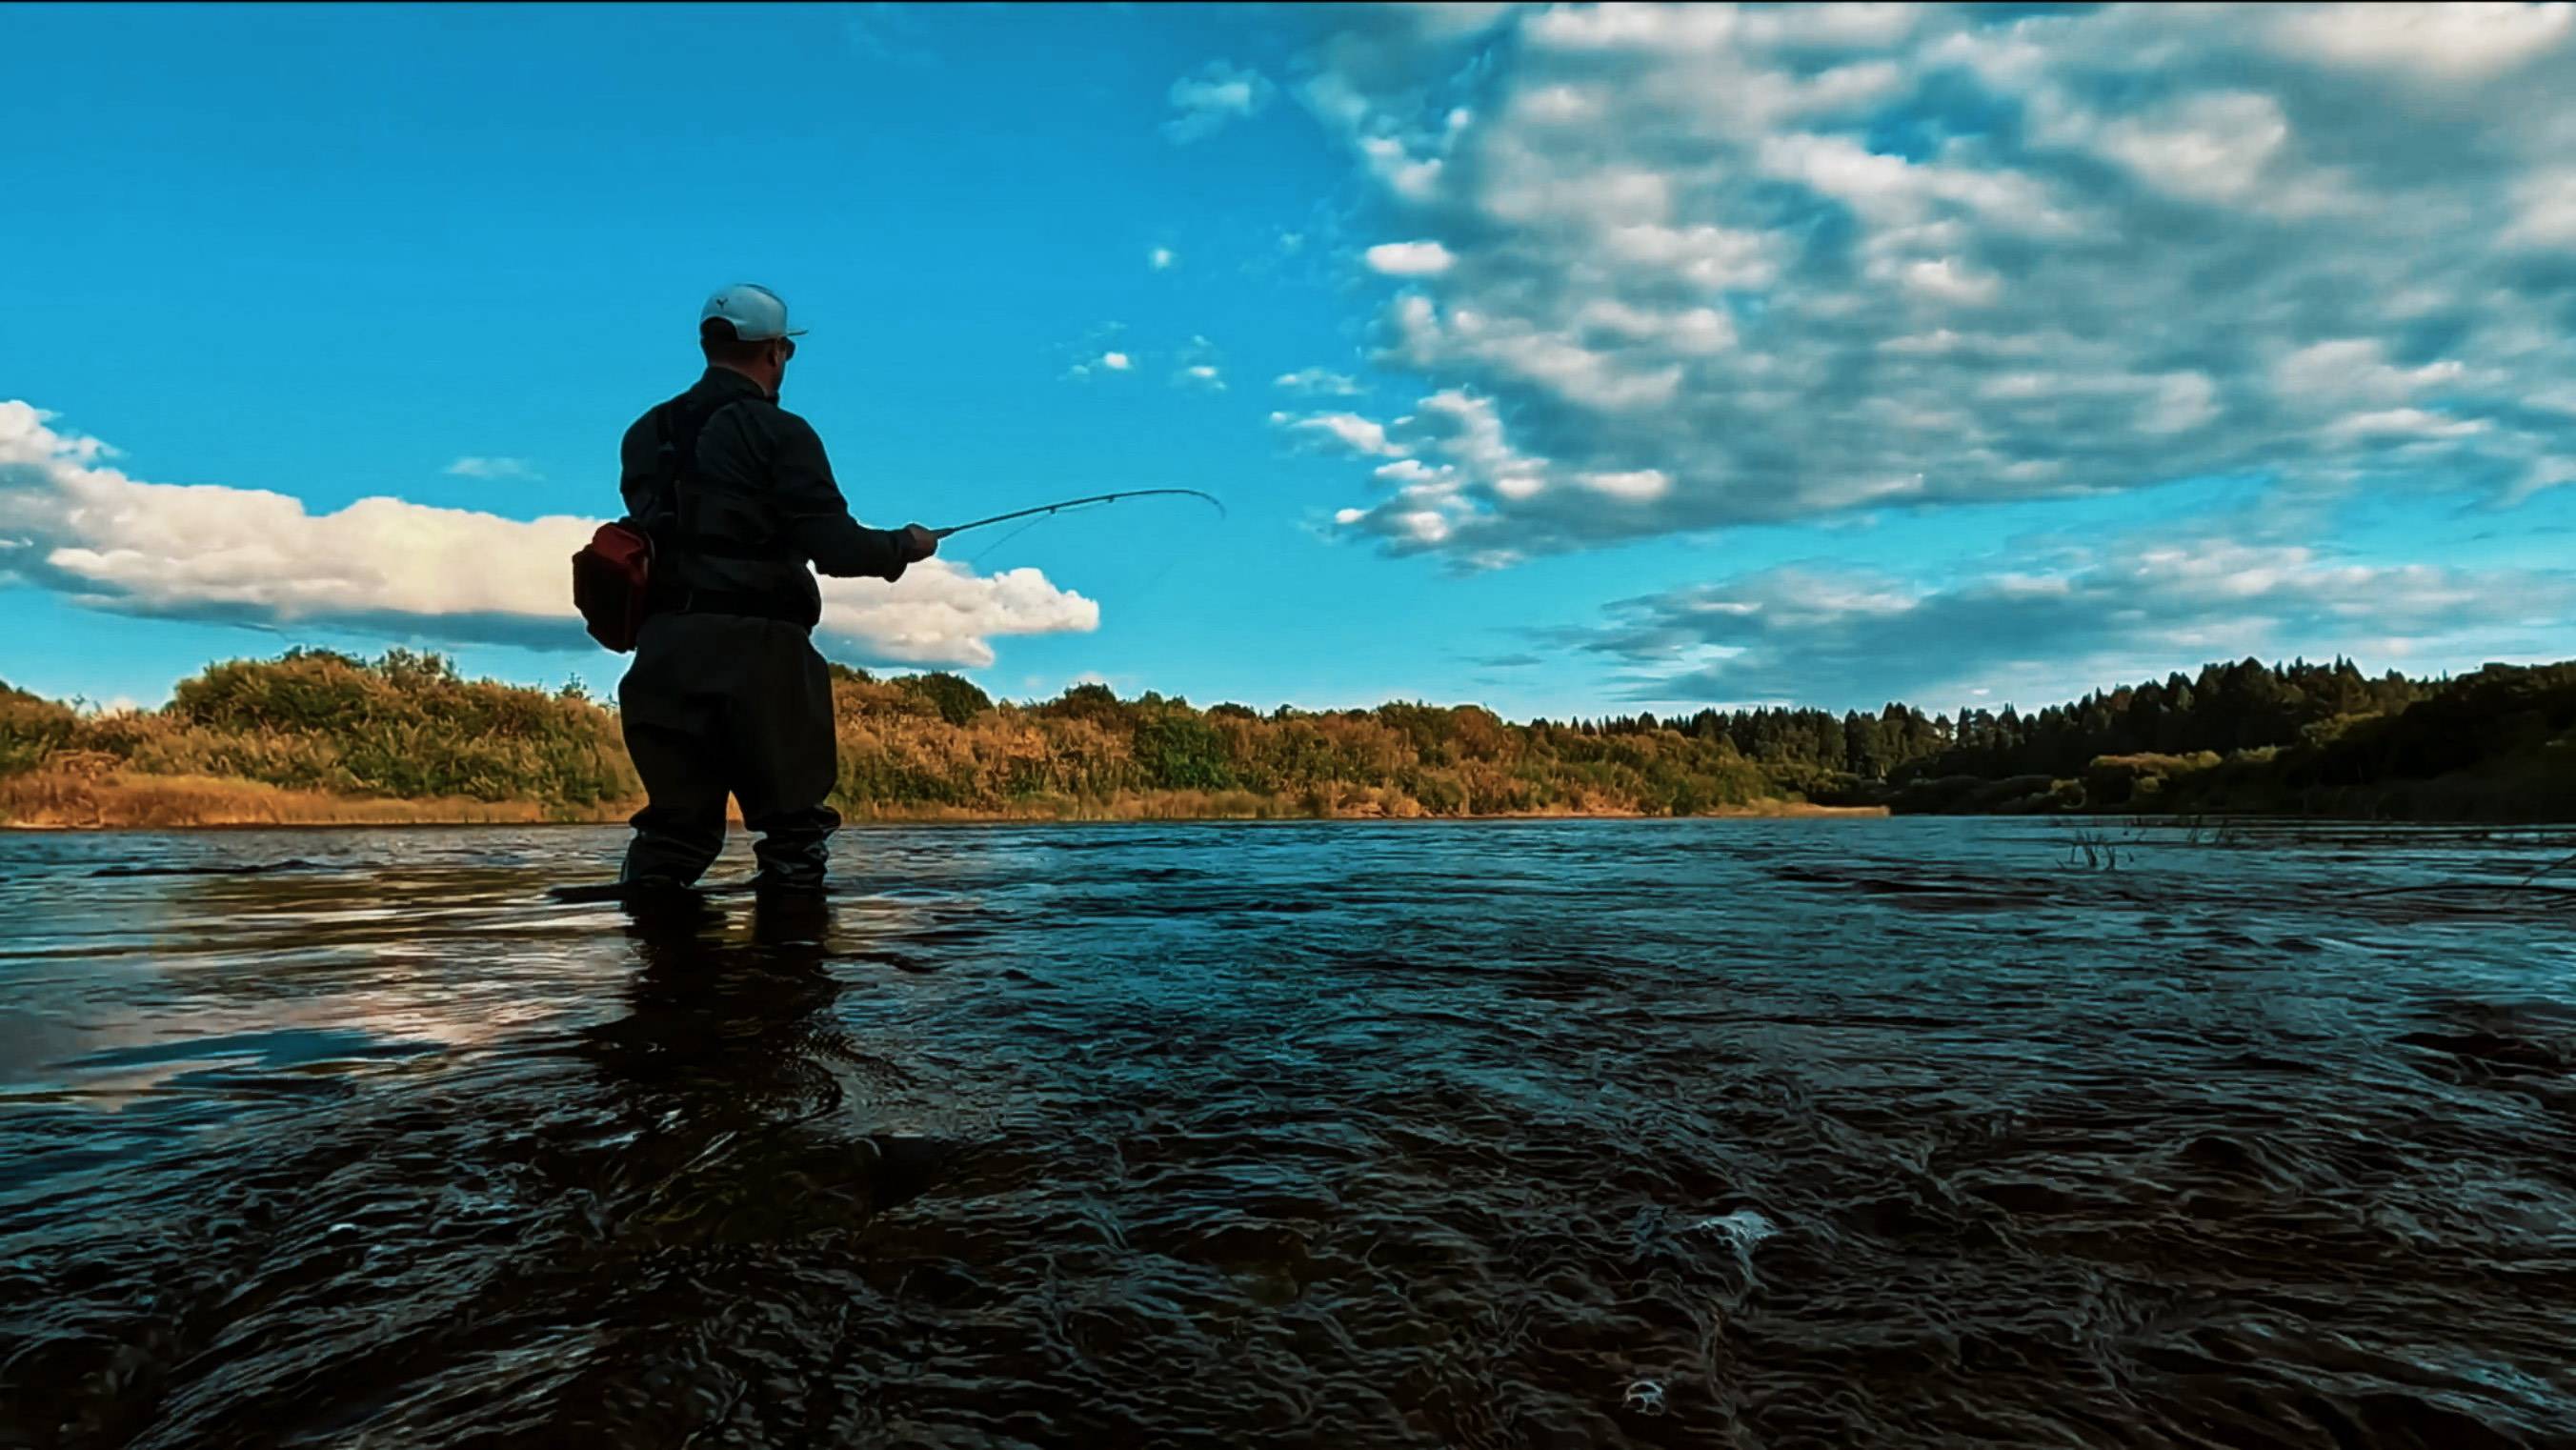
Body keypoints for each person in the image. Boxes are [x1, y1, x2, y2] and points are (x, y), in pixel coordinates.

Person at [614, 283, 936, 896]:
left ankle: (655, 983)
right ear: (776, 352)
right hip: (760, 655)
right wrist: (906, 546)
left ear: (709, 343)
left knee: (674, 835)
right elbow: (837, 548)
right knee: (792, 835)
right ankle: (794, 985)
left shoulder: (643, 433)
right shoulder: (780, 431)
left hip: (662, 653)